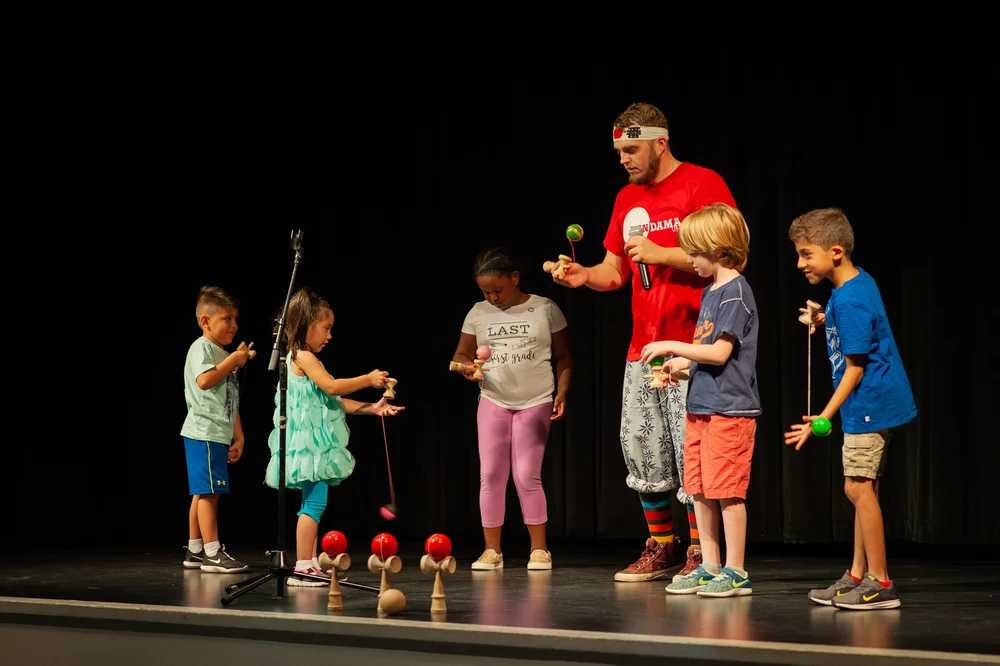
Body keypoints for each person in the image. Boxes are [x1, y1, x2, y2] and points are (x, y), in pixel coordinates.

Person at [551, 102, 736, 582]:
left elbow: (730, 253)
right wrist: (581, 275)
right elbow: (614, 273)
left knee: (689, 450)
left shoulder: (702, 184)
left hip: (694, 343)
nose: (624, 159)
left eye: (631, 149)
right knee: (641, 447)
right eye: (618, 152)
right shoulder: (625, 199)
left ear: (659, 142)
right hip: (644, 346)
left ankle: (703, 552)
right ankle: (663, 545)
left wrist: (662, 253)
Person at [785, 208, 916, 610]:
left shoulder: (852, 299)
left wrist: (823, 417)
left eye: (807, 254)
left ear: (835, 252)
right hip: (871, 402)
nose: (800, 263)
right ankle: (858, 575)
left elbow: (856, 368)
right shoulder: (850, 291)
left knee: (857, 488)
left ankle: (881, 582)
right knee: (864, 488)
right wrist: (825, 318)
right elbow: (861, 333)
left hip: (869, 403)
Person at [639, 202, 759, 597]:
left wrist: (671, 344)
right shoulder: (711, 292)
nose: (688, 259)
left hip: (729, 409)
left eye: (694, 252)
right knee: (701, 489)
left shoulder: (736, 292)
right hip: (701, 407)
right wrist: (678, 366)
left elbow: (722, 354)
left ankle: (735, 570)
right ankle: (709, 565)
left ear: (720, 250)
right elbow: (704, 354)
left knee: (727, 491)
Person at [264, 287, 404, 586]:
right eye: (325, 328)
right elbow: (332, 387)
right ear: (306, 324)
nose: (329, 336)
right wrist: (368, 379)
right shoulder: (301, 355)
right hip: (310, 448)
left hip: (312, 447)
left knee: (312, 504)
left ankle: (310, 562)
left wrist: (373, 408)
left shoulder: (306, 358)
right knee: (313, 506)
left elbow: (334, 403)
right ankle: (302, 567)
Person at [452, 247, 573, 571]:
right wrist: (467, 369)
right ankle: (492, 551)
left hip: (535, 399)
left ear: (515, 278)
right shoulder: (478, 313)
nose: (492, 297)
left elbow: (563, 356)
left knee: (526, 475)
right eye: (485, 291)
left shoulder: (544, 308)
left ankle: (539, 550)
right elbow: (462, 355)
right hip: (493, 399)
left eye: (497, 289)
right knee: (490, 475)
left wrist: (562, 392)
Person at [180, 285, 252, 573]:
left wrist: (239, 435)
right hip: (204, 432)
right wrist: (233, 361)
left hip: (216, 434)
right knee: (209, 492)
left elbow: (230, 399)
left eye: (235, 319)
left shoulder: (220, 353)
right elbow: (205, 381)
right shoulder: (202, 348)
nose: (233, 325)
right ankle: (212, 552)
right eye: (226, 318)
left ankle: (195, 549)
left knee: (203, 493)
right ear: (205, 322)